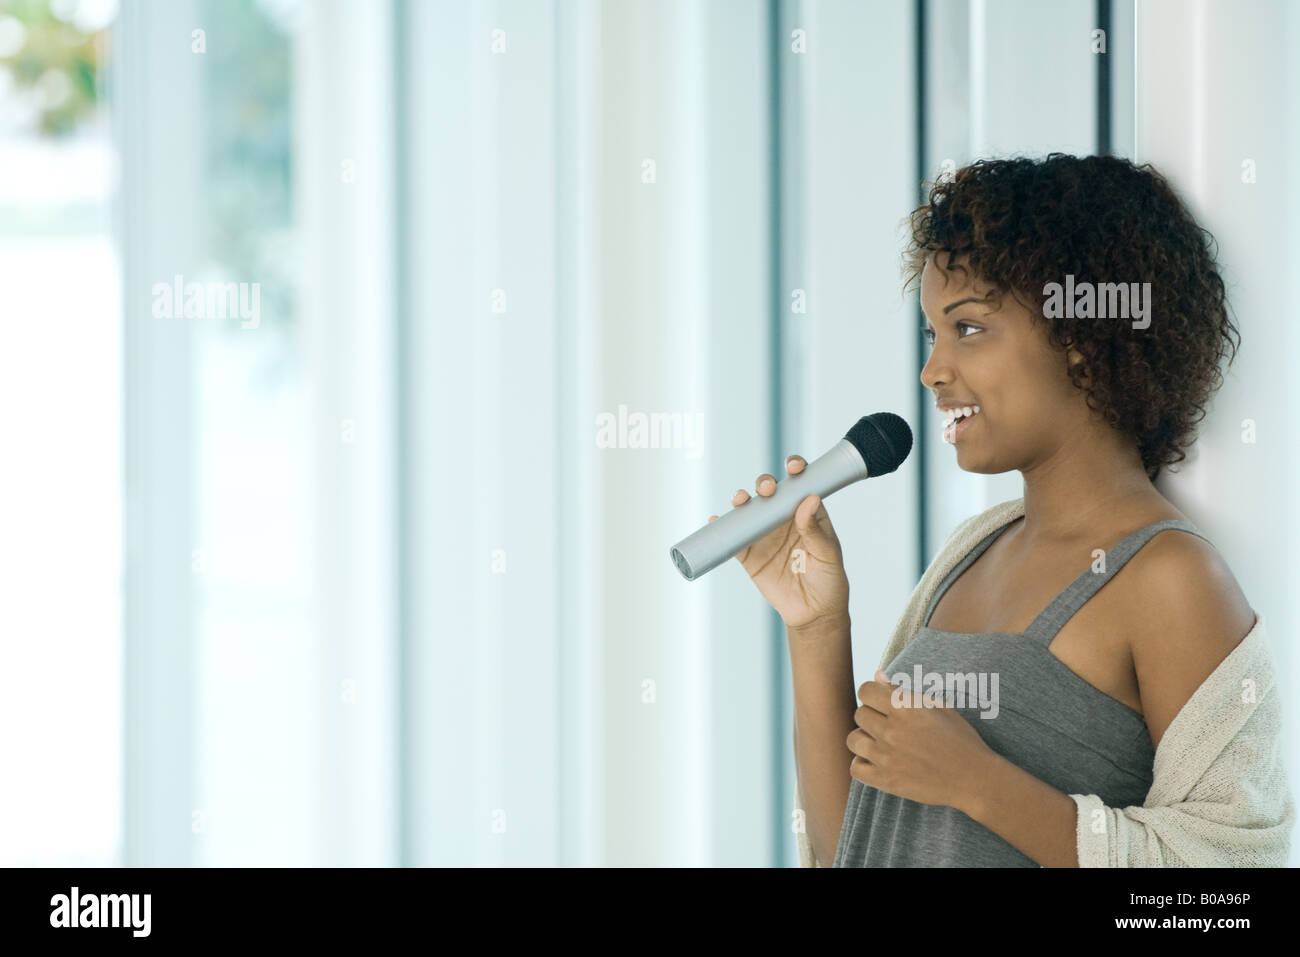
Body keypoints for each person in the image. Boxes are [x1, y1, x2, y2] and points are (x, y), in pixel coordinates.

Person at [709, 154, 1275, 867]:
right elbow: (847, 849)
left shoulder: (1169, 576)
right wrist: (816, 624)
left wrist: (979, 784)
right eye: (931, 335)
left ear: (1079, 336)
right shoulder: (974, 550)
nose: (933, 370)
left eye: (968, 328)